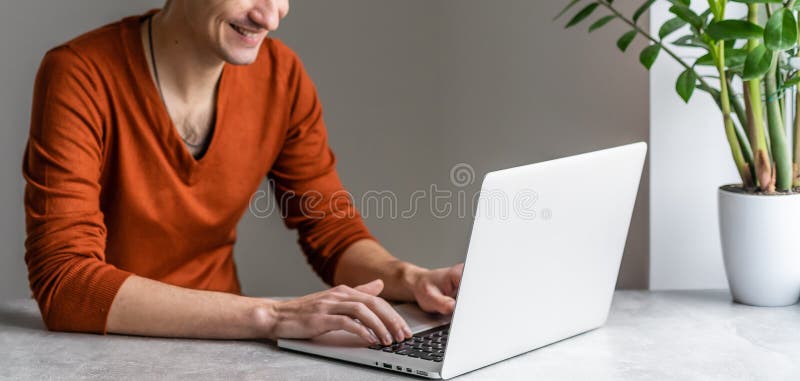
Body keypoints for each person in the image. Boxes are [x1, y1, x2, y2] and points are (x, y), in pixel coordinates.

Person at [22, 0, 463, 346]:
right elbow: (67, 285)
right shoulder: (80, 74)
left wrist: (412, 279)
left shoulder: (282, 77)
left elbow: (332, 233)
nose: (270, 15)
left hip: (225, 350)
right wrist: (271, 316)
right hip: (105, 351)